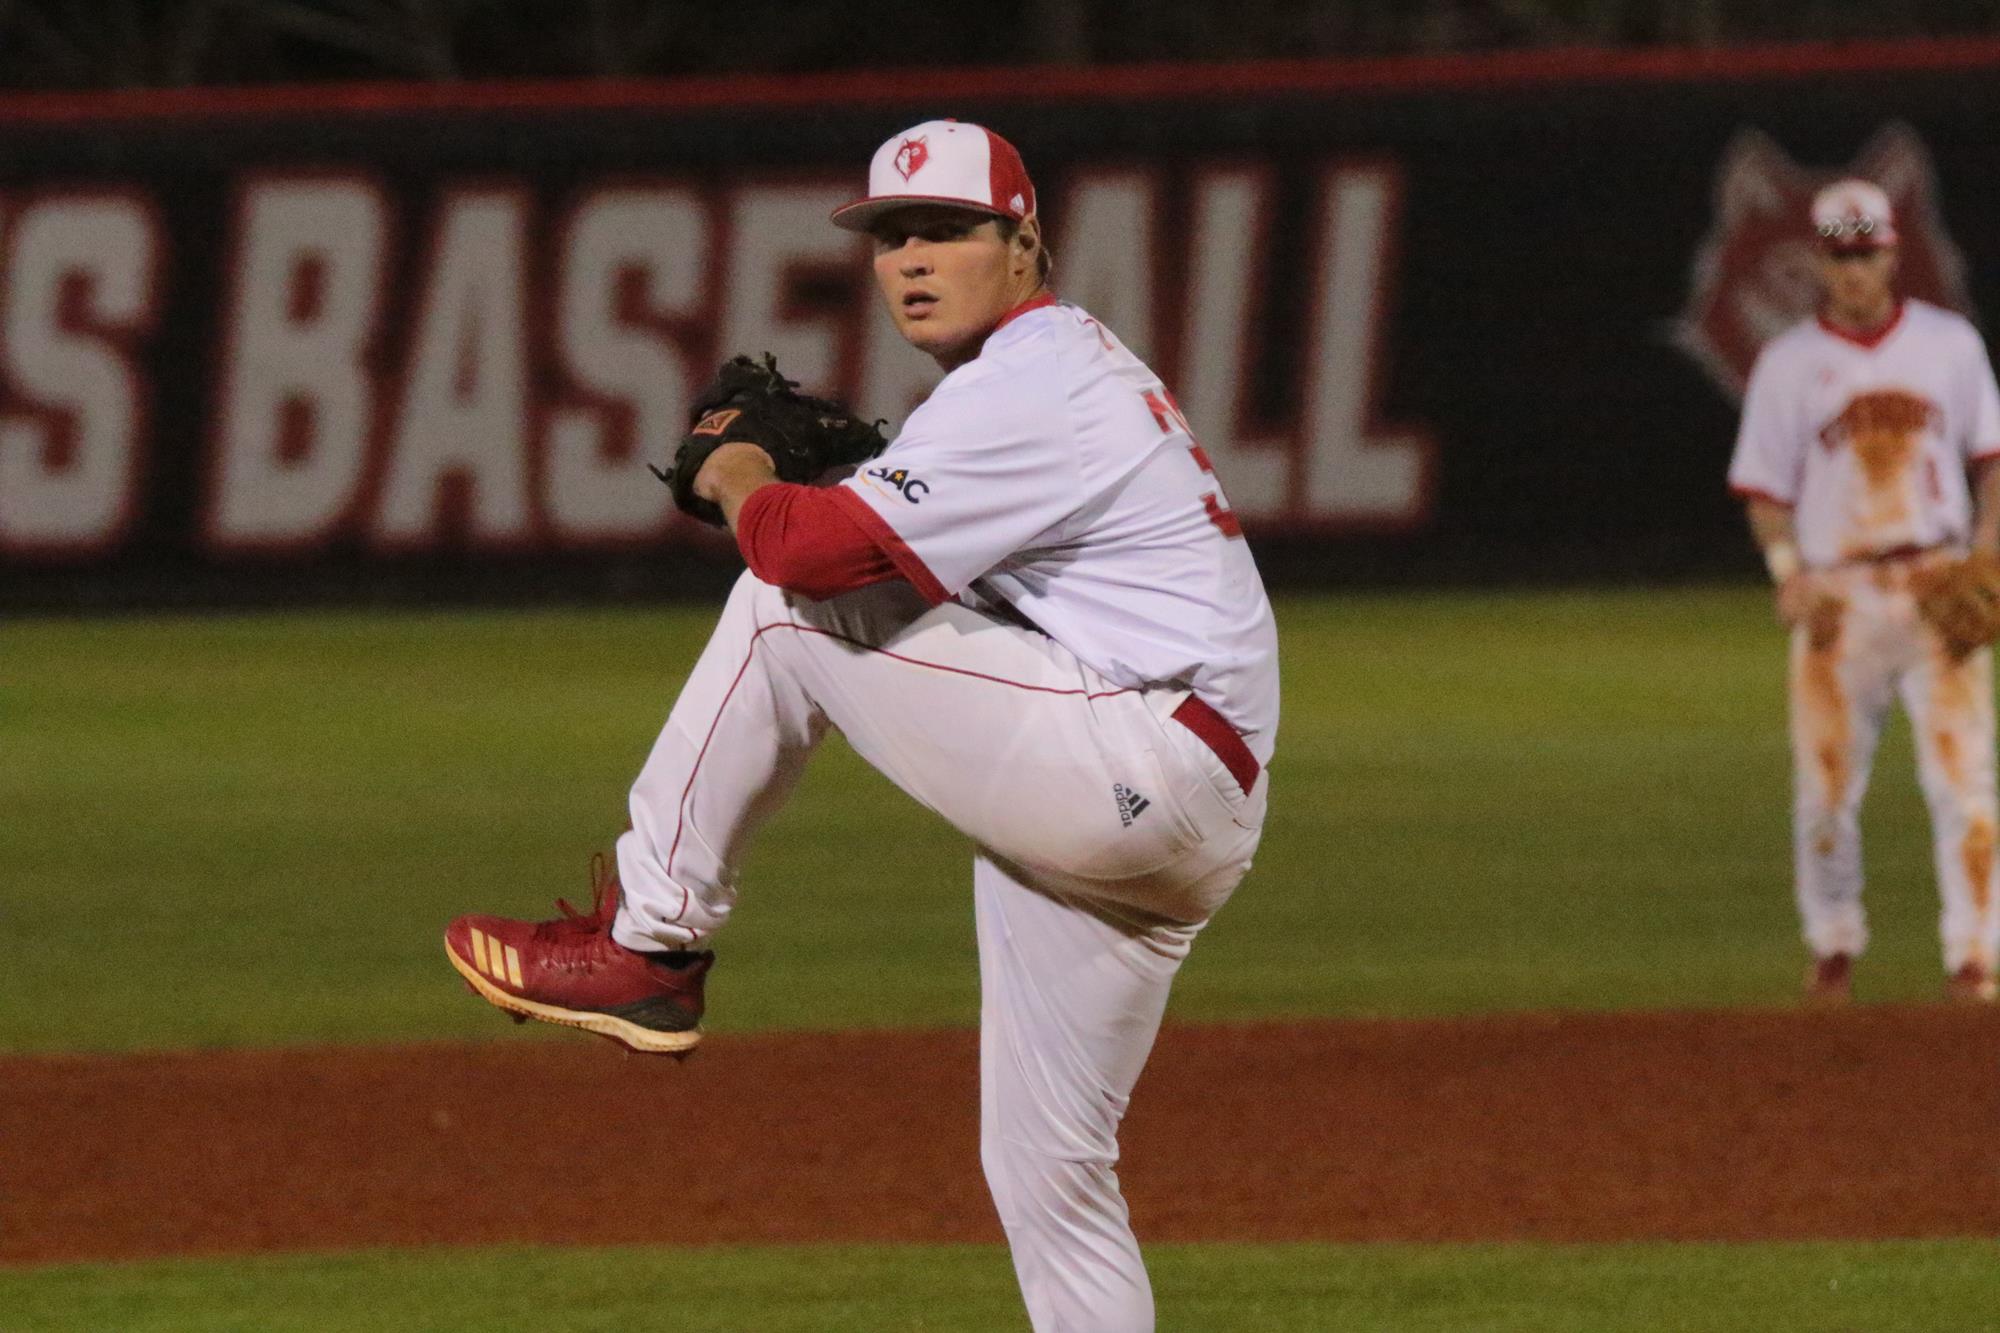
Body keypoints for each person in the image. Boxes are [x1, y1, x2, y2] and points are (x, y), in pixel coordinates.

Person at [444, 119, 1278, 1331]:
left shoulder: (1032, 378)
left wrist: (737, 473)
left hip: (1136, 758)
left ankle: (650, 942)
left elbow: (803, 555)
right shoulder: (1048, 374)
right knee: (1047, 1172)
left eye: (944, 229)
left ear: (1024, 242)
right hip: (1162, 801)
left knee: (778, 606)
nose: (911, 260)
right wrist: (821, 487)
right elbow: (926, 579)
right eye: (890, 237)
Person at [1727, 177, 2000, 1005]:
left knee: (1964, 783)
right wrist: (1788, 575)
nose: (1854, 270)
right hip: (1837, 599)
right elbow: (1767, 494)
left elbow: (1992, 458)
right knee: (1824, 791)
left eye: (1866, 252)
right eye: (1839, 255)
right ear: (1820, 257)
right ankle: (1834, 953)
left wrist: (1988, 554)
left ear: (1891, 250)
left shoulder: (1949, 345)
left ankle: (1975, 961)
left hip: (1934, 583)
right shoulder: (1787, 364)